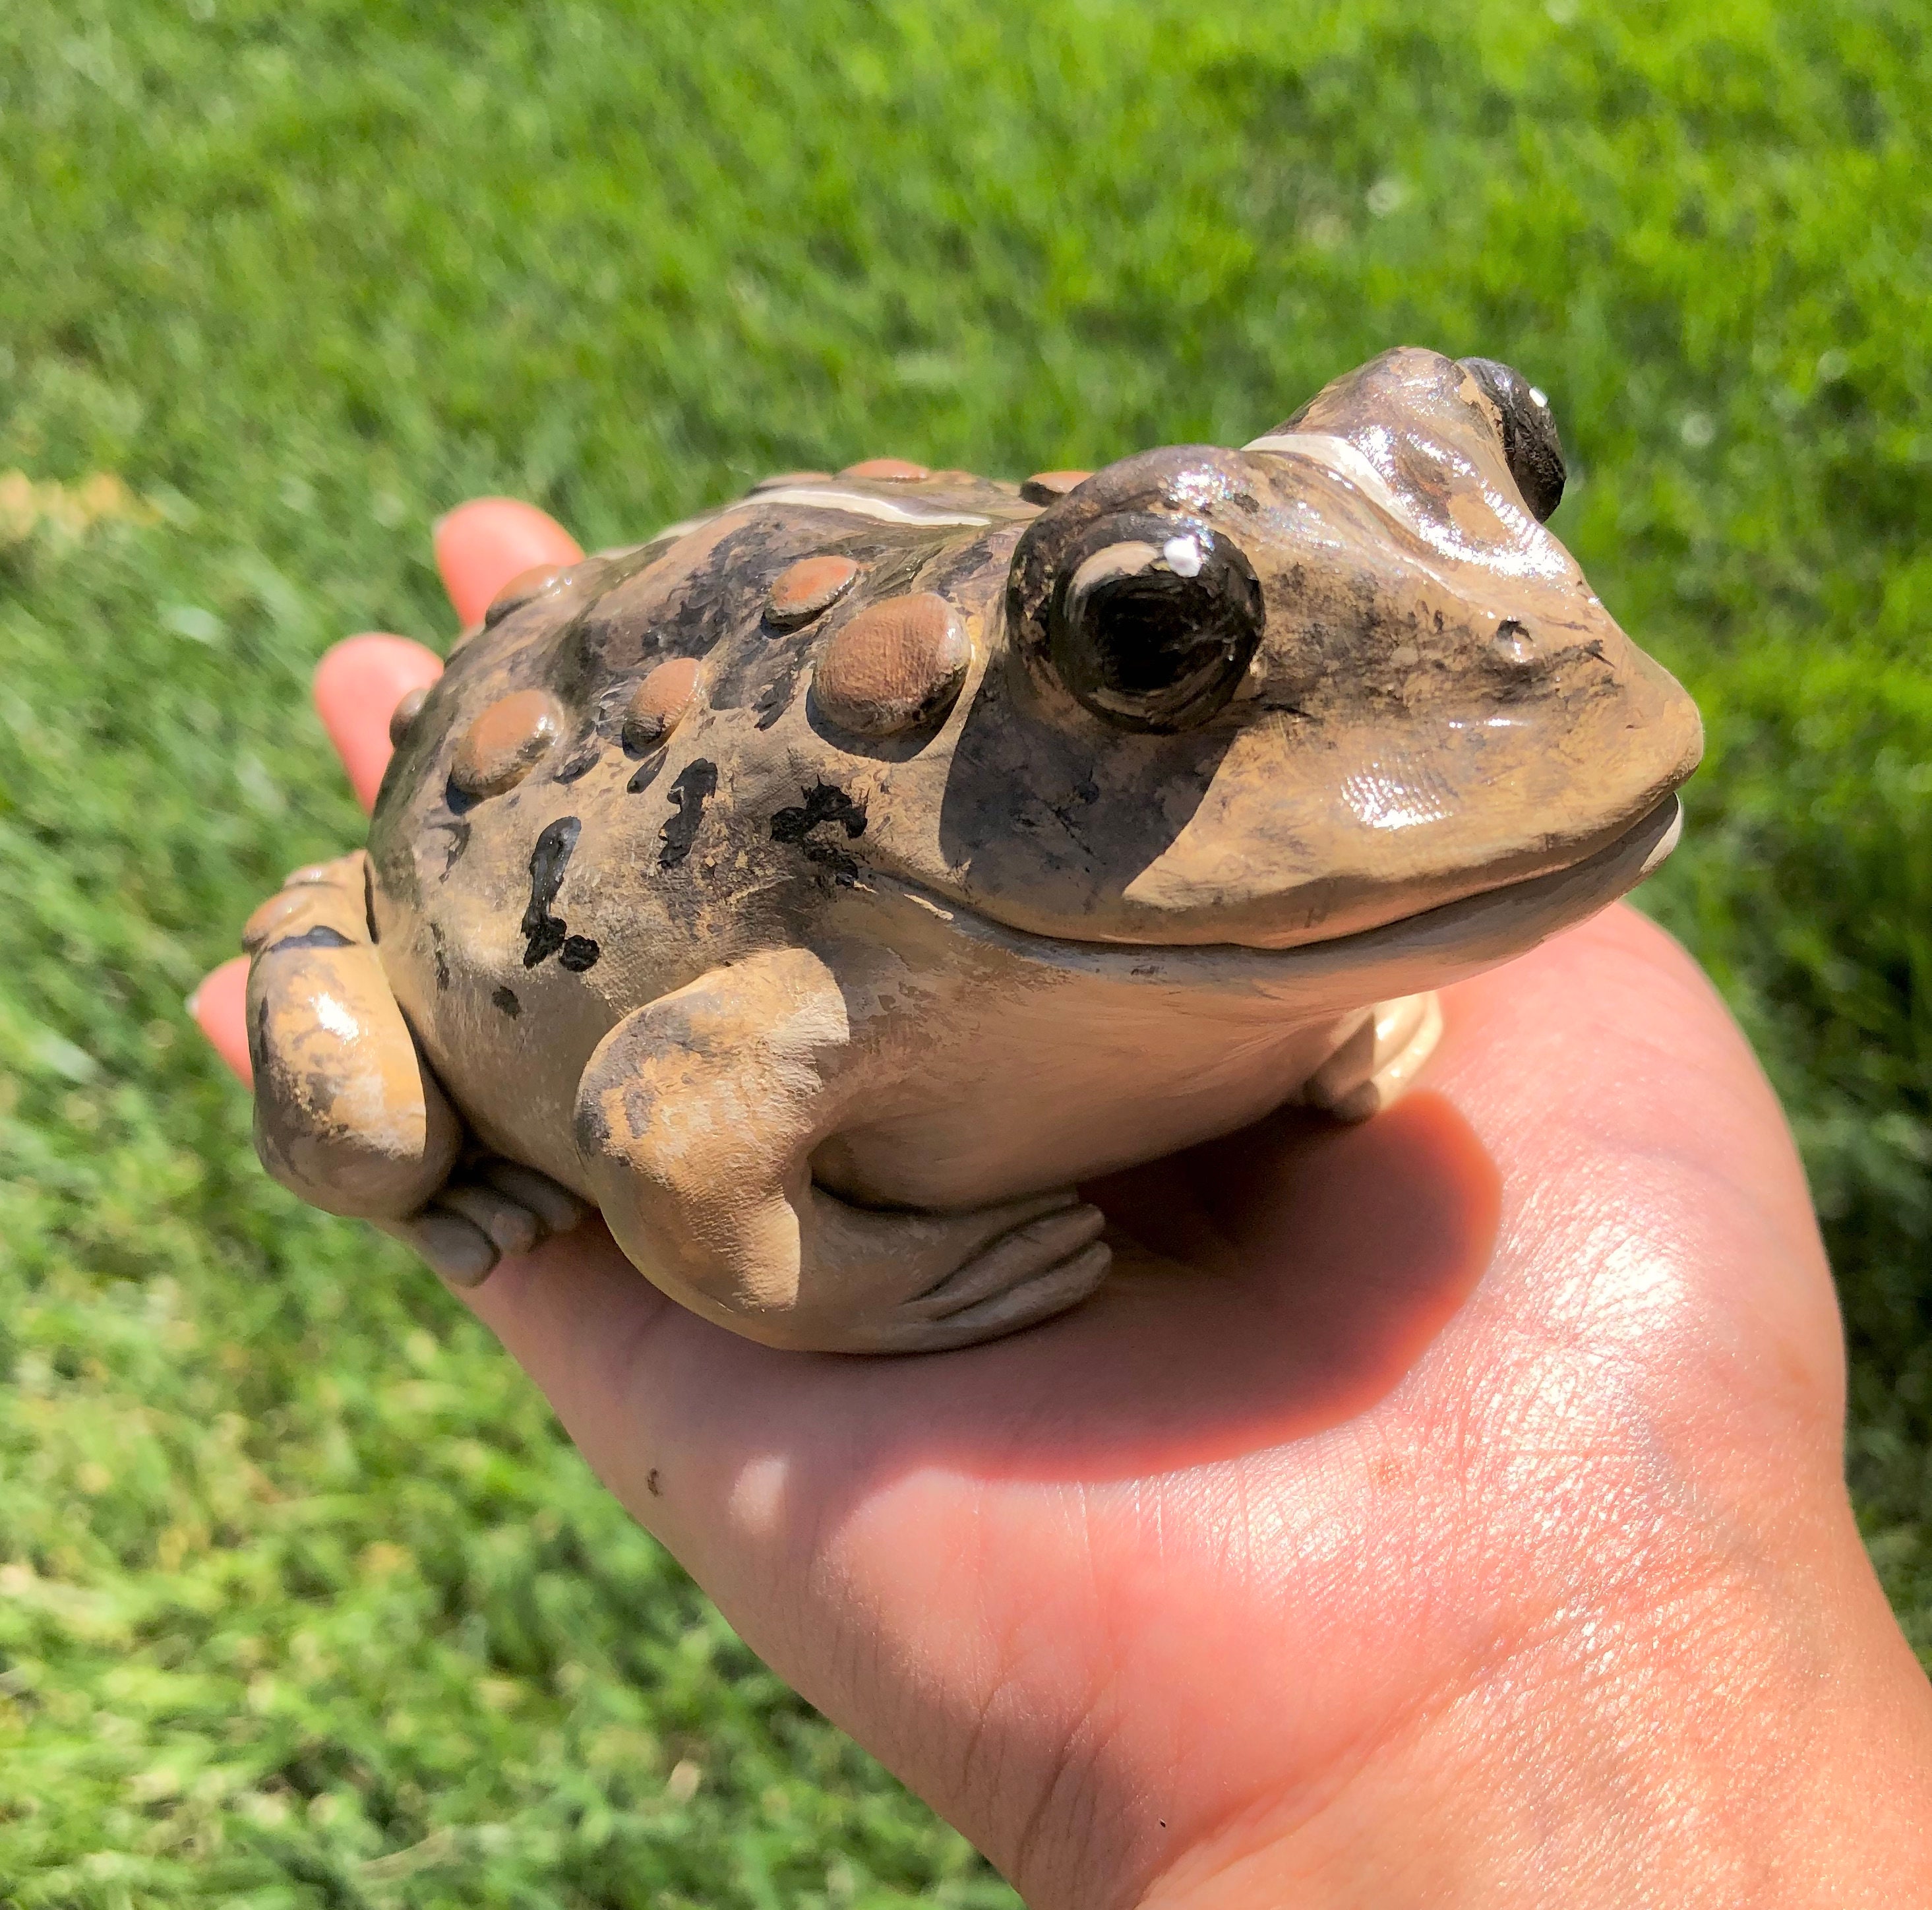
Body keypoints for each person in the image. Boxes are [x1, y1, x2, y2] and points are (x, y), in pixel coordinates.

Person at [193, 499, 1932, 1908]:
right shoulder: (848, 935)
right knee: (362, 1126)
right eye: (1155, 645)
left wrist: (1304, 987)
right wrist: (826, 1289)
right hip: (519, 834)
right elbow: (663, 1123)